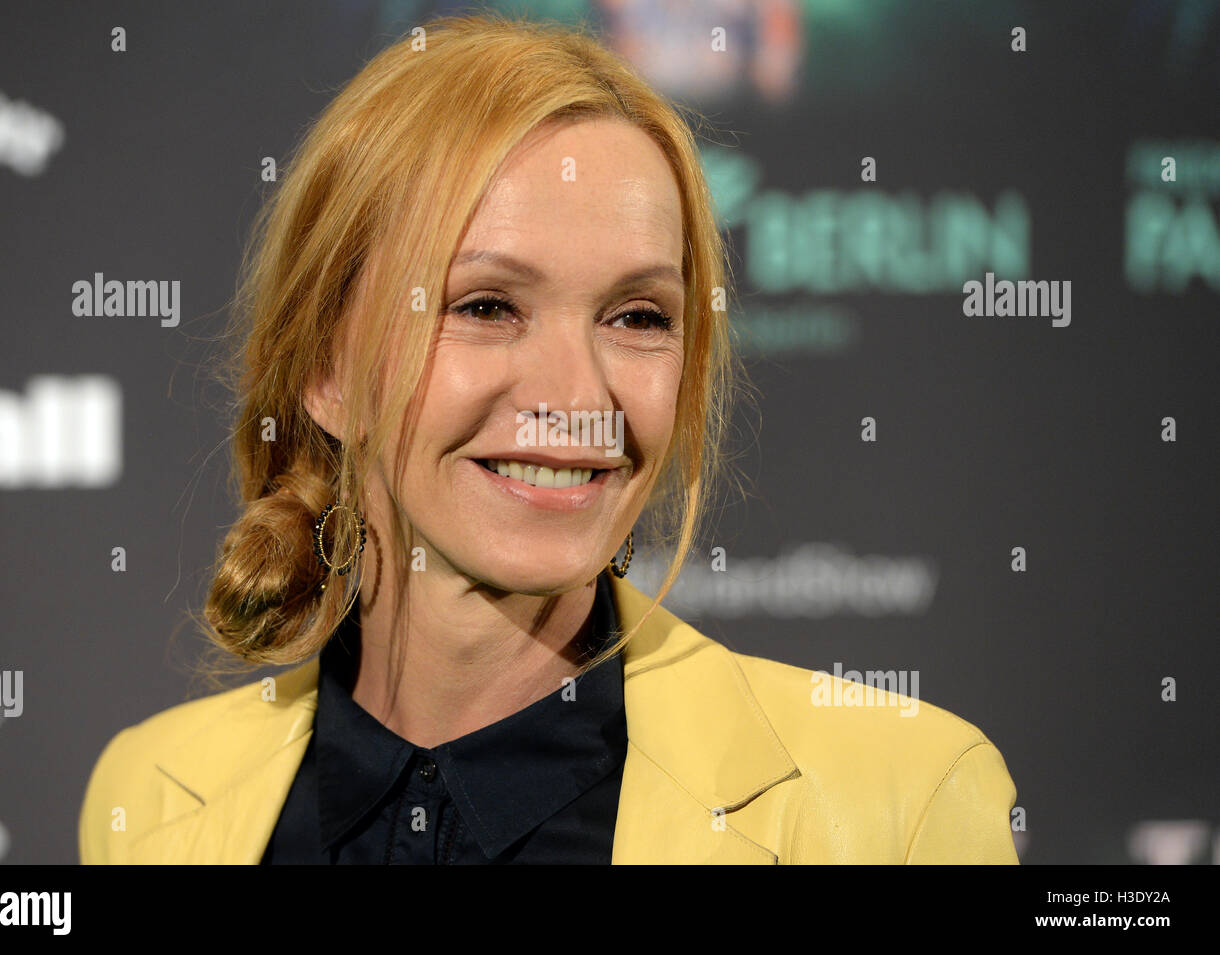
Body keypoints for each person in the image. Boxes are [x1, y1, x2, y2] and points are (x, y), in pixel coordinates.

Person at [78, 13, 1019, 864]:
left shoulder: (897, 807)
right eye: (487, 305)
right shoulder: (150, 801)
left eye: (639, 316)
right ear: (328, 370)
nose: (579, 397)